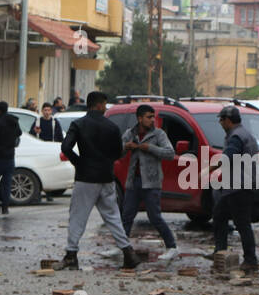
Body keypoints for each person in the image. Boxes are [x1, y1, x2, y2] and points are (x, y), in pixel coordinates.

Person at [59, 91, 137, 270]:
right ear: (99, 105)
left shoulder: (78, 124)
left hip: (86, 178)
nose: (105, 107)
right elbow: (118, 153)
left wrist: (78, 162)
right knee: (113, 216)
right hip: (107, 178)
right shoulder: (112, 127)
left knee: (78, 216)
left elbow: (65, 147)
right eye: (104, 104)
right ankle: (128, 253)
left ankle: (71, 254)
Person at [119, 104, 179, 262]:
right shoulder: (130, 133)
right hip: (134, 181)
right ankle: (121, 245)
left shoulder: (158, 134)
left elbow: (170, 153)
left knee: (155, 216)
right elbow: (117, 153)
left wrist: (149, 148)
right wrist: (126, 147)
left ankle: (172, 247)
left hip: (151, 182)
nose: (152, 120)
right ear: (139, 118)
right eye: (149, 117)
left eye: (153, 117)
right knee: (126, 215)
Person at [210, 105, 259, 272]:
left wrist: (208, 169)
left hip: (239, 187)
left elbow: (227, 158)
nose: (220, 123)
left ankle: (251, 260)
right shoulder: (244, 134)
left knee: (242, 224)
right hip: (237, 186)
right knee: (219, 216)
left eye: (221, 120)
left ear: (228, 120)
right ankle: (220, 253)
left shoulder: (236, 137)